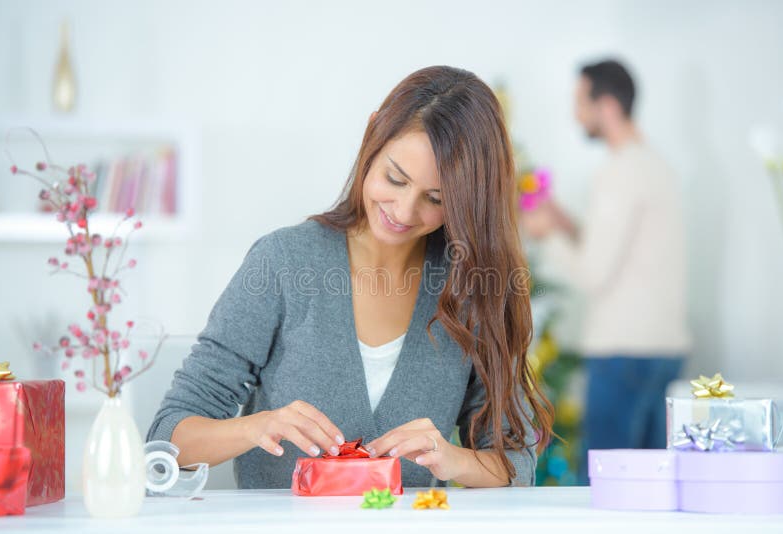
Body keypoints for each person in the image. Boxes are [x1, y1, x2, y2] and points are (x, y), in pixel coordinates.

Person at [148, 66, 554, 489]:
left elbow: (517, 466)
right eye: (394, 178)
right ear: (372, 138)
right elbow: (167, 436)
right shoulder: (283, 262)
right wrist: (256, 426)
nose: (403, 211)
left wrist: (453, 460)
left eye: (435, 199)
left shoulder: (474, 286)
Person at [521, 60, 690, 458]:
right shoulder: (656, 165)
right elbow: (625, 253)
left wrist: (545, 235)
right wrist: (567, 225)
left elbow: (594, 273)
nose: (575, 113)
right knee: (653, 484)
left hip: (623, 352)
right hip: (664, 349)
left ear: (608, 105)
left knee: (605, 487)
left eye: (581, 101)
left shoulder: (619, 171)